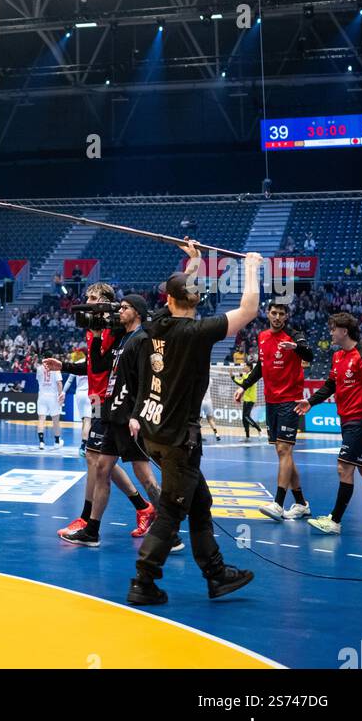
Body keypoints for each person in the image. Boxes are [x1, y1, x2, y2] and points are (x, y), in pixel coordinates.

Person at [126, 243, 263, 607]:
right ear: (197, 300)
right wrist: (251, 267)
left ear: (169, 300)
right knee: (172, 510)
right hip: (178, 441)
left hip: (155, 433)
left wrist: (196, 261)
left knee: (200, 502)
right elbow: (249, 309)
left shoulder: (156, 323)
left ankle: (216, 575)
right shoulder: (198, 332)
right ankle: (143, 581)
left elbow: (181, 291)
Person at [48, 295, 177, 550]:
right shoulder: (120, 339)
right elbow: (96, 365)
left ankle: (170, 532)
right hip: (110, 413)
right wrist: (96, 335)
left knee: (145, 476)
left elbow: (148, 380)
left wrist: (137, 415)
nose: (120, 311)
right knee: (101, 469)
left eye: (125, 308)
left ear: (137, 313)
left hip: (127, 417)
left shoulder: (141, 340)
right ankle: (92, 531)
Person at [295, 313, 362, 535]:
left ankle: (335, 521)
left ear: (344, 331)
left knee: (344, 467)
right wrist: (310, 401)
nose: (330, 332)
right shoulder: (338, 357)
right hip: (347, 419)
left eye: (333, 329)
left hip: (361, 420)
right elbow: (330, 385)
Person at [234, 301, 313, 520]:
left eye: (281, 314)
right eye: (274, 312)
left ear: (286, 316)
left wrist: (296, 348)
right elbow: (261, 366)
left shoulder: (295, 335)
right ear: (268, 314)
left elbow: (309, 356)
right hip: (271, 400)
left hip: (290, 400)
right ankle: (301, 503)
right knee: (283, 452)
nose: (277, 317)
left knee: (283, 451)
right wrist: (243, 386)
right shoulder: (262, 337)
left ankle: (278, 504)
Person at [35, 351, 64, 449]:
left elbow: (38, 381)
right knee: (55, 420)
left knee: (41, 419)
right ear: (52, 357)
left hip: (42, 396)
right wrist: (60, 395)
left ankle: (41, 442)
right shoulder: (56, 369)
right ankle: (56, 442)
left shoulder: (39, 369)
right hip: (53, 397)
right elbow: (59, 383)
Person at [63, 362, 92, 454]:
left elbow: (69, 380)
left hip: (79, 394)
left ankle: (83, 445)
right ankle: (85, 446)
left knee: (84, 421)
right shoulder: (94, 363)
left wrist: (63, 392)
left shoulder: (77, 366)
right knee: (89, 421)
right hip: (91, 394)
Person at [231, 365, 262, 440]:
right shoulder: (246, 375)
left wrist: (240, 375)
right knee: (244, 418)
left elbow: (245, 379)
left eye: (246, 366)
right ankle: (247, 436)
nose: (244, 367)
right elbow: (241, 383)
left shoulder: (251, 375)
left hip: (250, 399)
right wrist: (233, 377)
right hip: (246, 399)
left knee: (246, 416)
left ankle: (259, 429)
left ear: (249, 368)